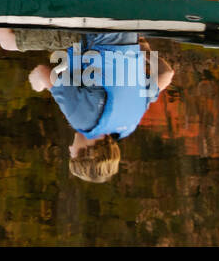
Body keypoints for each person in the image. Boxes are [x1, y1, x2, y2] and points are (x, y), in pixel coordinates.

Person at [29, 34, 173, 183]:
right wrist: (38, 84)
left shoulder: (131, 119)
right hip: (95, 33)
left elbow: (166, 73)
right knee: (8, 42)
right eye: (72, 154)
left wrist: (145, 51)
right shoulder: (84, 121)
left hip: (131, 33)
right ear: (85, 153)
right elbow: (42, 72)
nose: (70, 148)